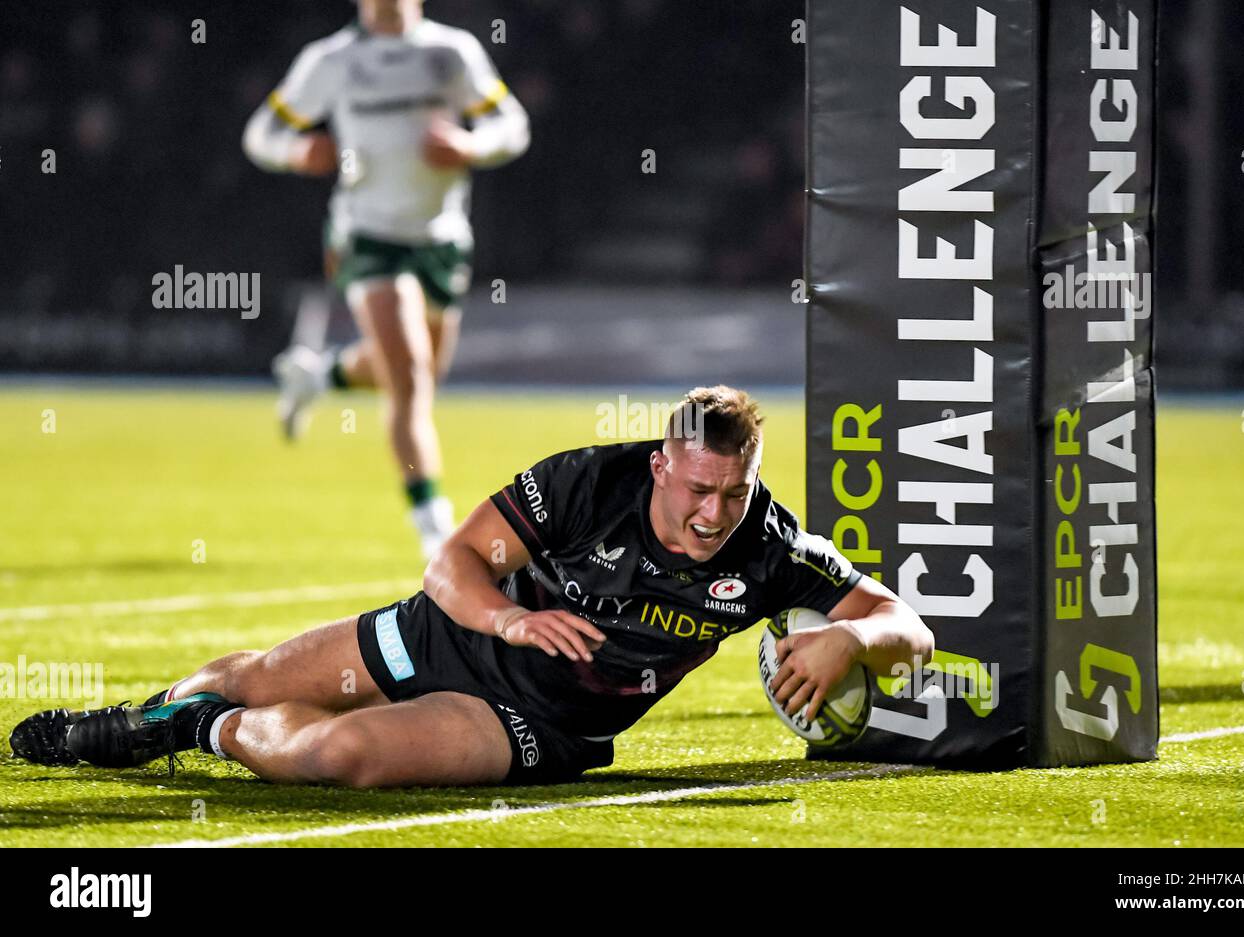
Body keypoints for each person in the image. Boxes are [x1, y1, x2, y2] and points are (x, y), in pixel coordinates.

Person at [9, 387, 933, 788]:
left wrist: (851, 639)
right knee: (254, 677)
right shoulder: (587, 481)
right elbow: (451, 562)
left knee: (339, 758)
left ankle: (192, 728)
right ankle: (162, 717)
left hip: (542, 721)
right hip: (451, 632)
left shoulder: (770, 548)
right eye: (698, 487)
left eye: (733, 491)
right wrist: (509, 620)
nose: (712, 512)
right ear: (660, 464)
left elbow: (911, 626)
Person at [243, 0, 530, 556]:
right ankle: (434, 527)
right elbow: (260, 134)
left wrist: (472, 145)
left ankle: (319, 376)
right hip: (367, 235)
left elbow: (513, 125)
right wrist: (297, 149)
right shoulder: (332, 60)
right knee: (410, 378)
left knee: (419, 370)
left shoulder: (452, 51)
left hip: (441, 237)